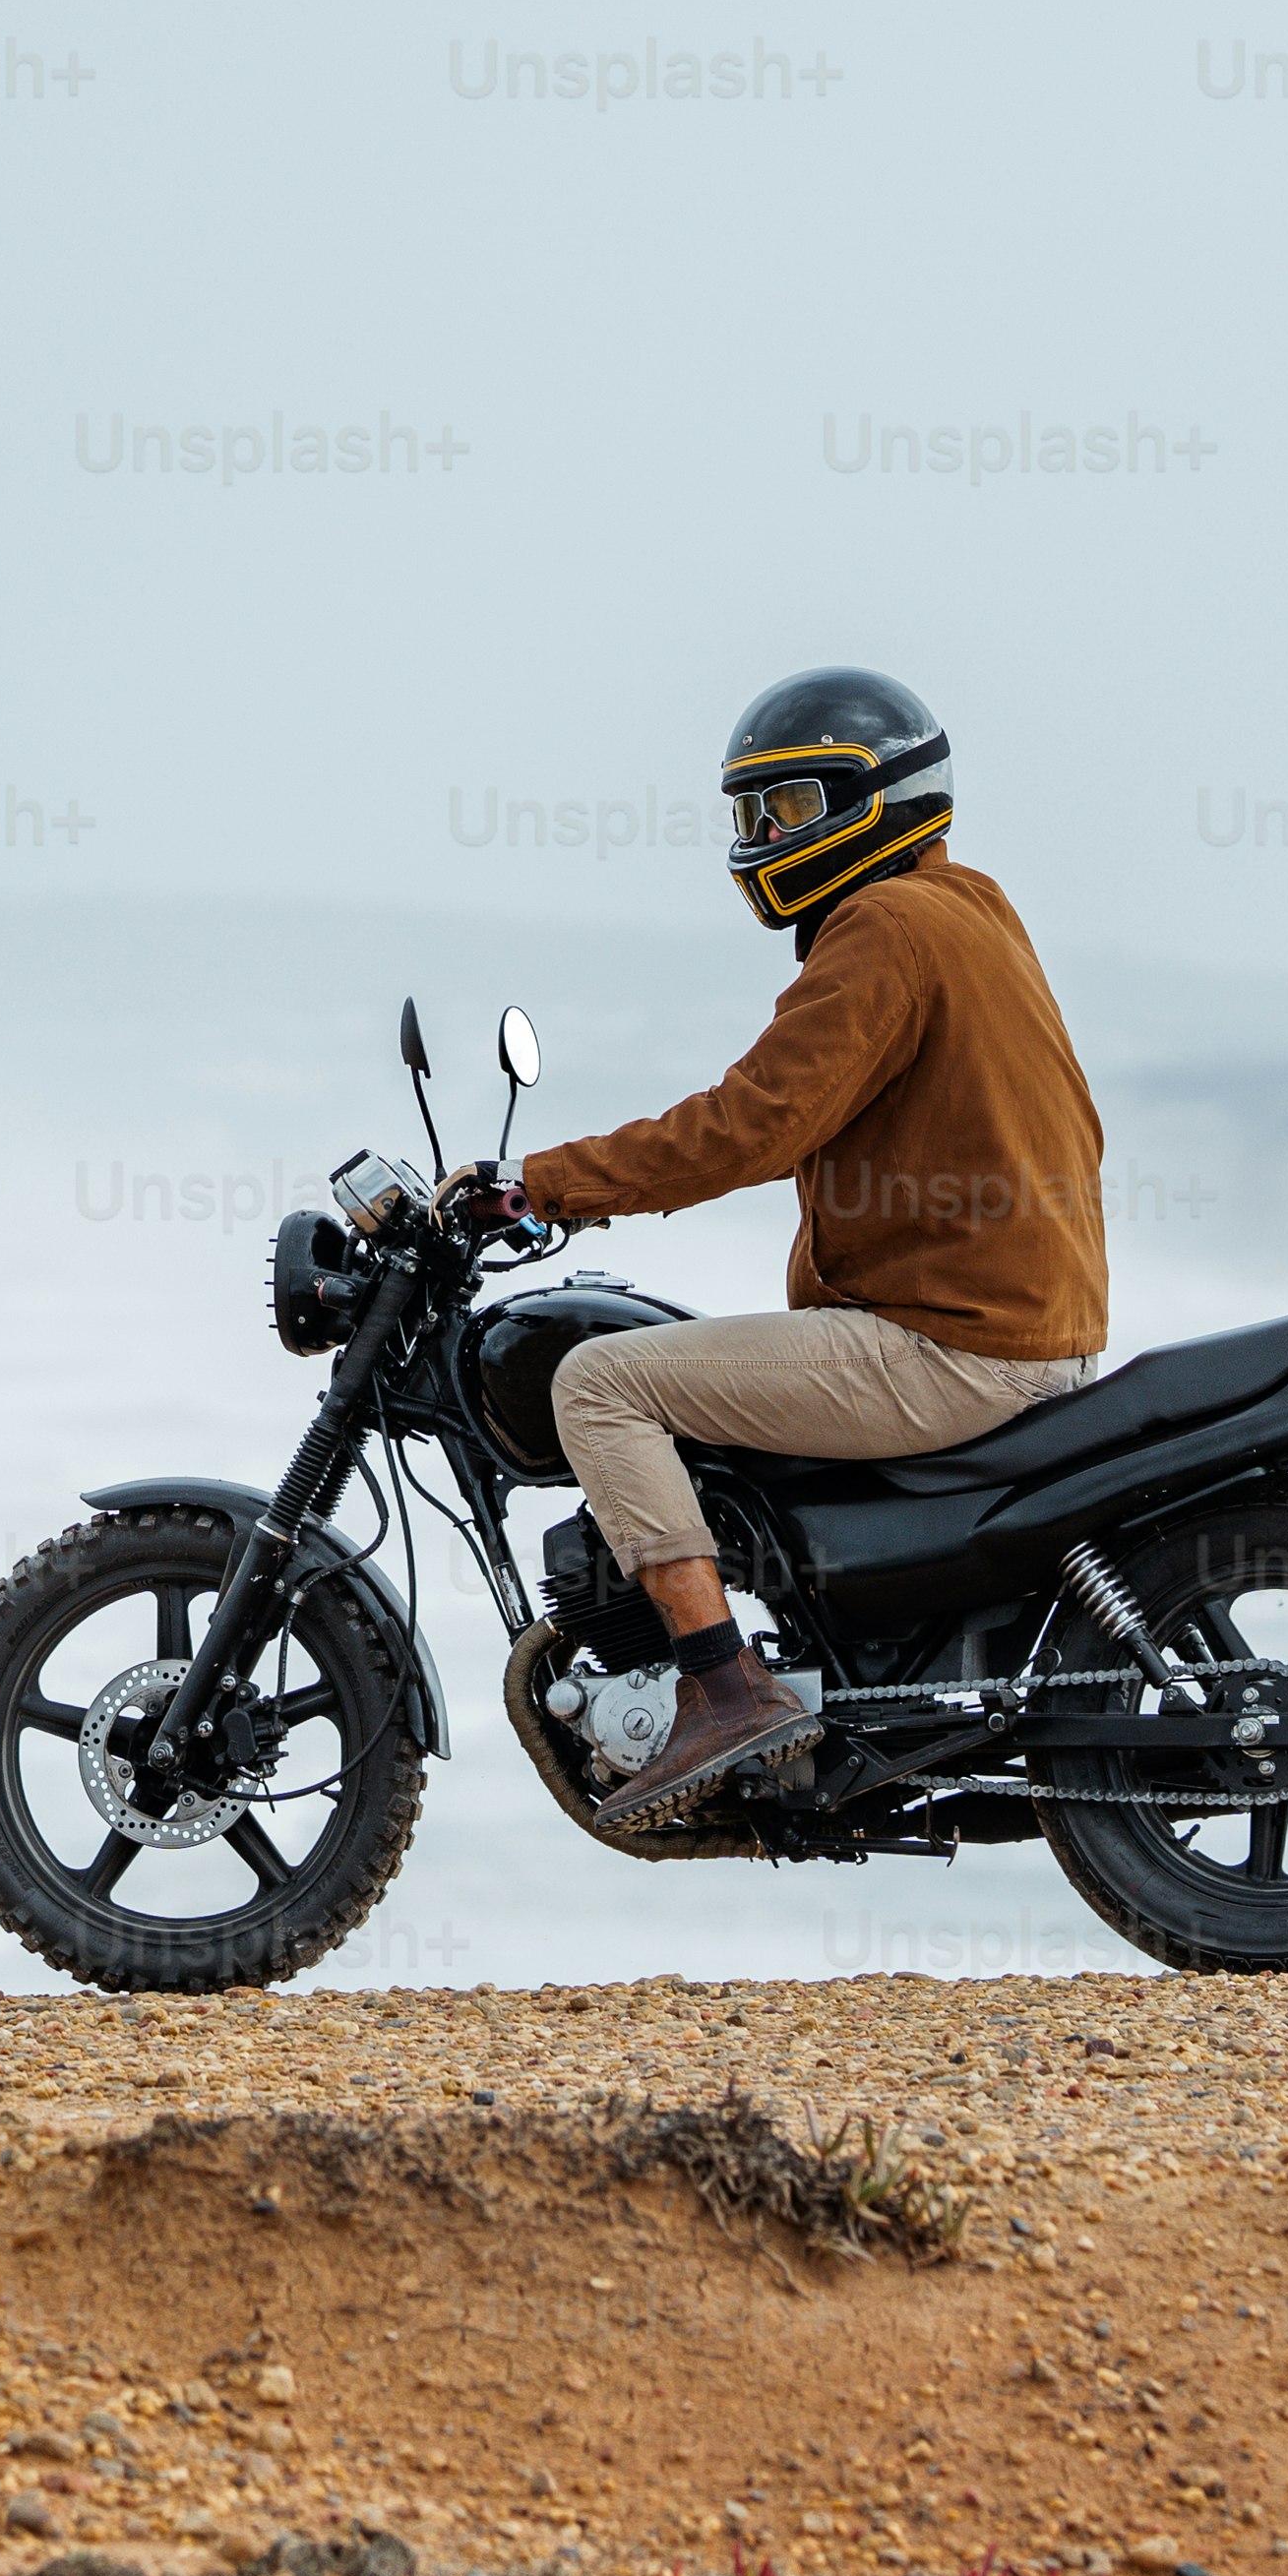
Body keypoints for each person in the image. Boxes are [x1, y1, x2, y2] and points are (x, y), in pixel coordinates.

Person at [458, 666, 1107, 1824]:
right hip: (1015, 1331)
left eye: (791, 810)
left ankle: (721, 1687)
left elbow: (751, 1123)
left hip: (950, 1348)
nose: (762, 840)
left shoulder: (883, 928)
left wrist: (542, 1184)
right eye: (749, 815)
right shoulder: (970, 909)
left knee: (601, 1379)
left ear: (885, 800)